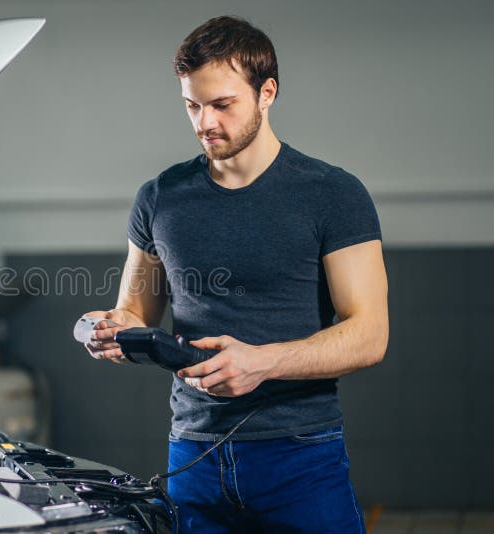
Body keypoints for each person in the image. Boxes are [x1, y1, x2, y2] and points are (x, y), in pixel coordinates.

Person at [82, 15, 388, 533]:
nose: (205, 122)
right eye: (192, 105)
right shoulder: (159, 198)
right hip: (193, 456)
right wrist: (110, 329)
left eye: (222, 104)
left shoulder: (333, 194)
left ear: (266, 93)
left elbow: (369, 334)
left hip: (299, 458)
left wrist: (262, 363)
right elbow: (134, 309)